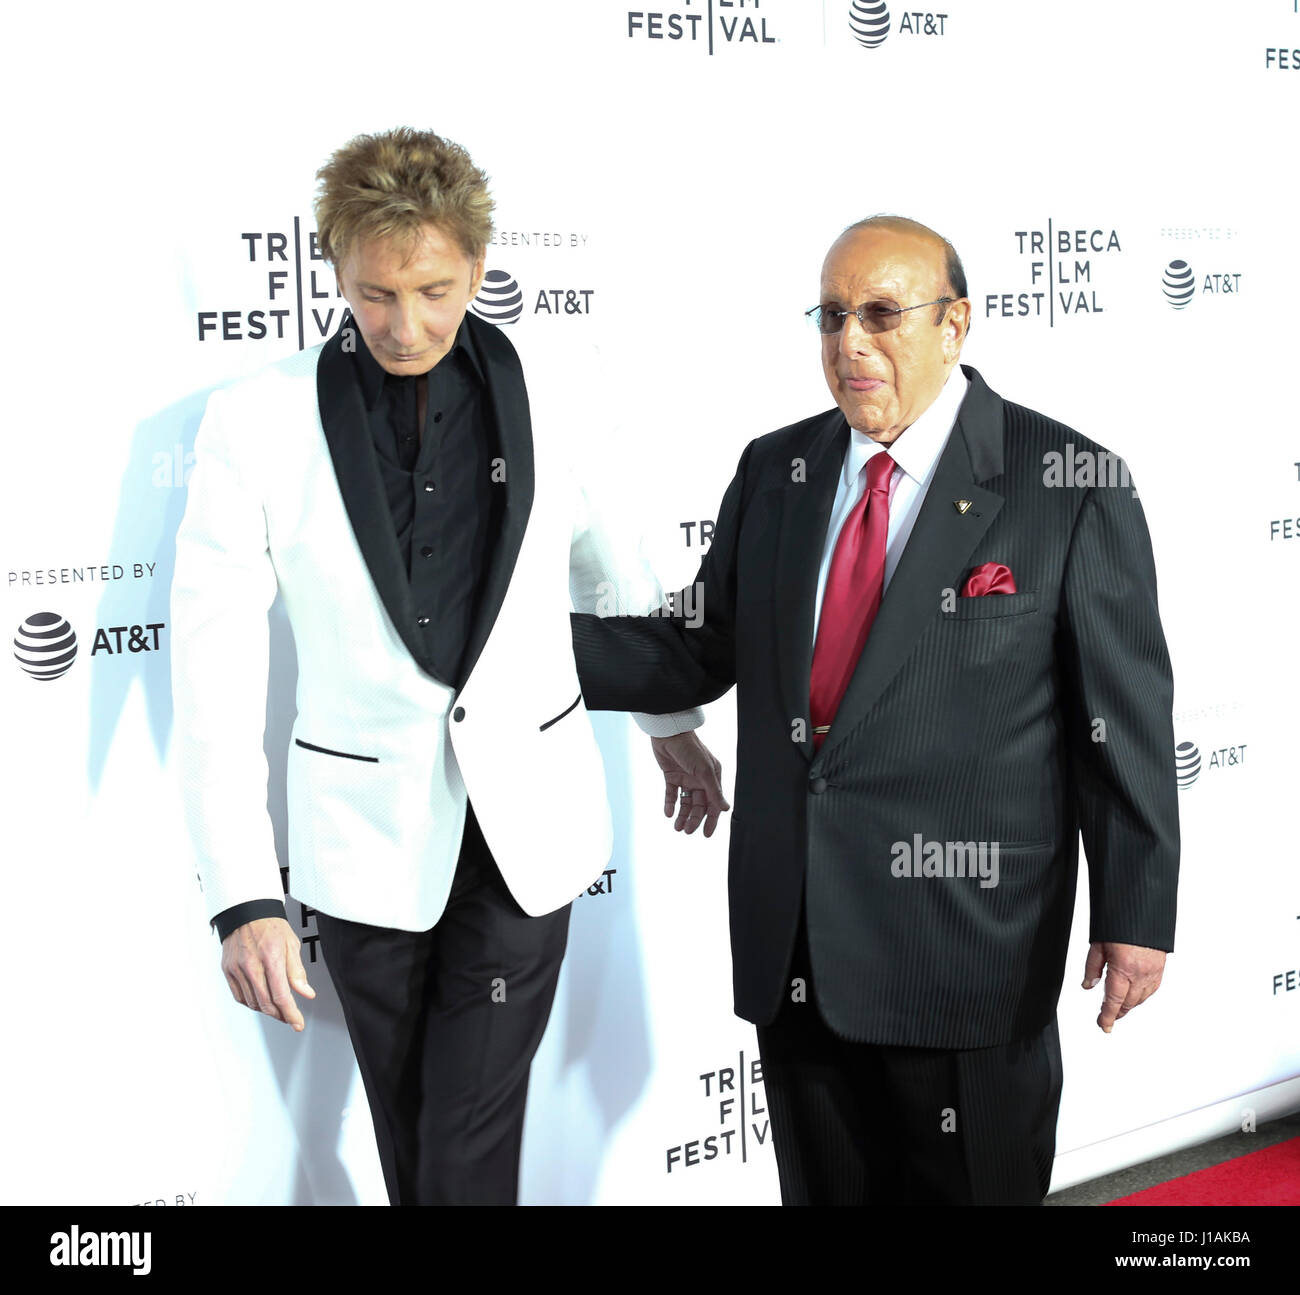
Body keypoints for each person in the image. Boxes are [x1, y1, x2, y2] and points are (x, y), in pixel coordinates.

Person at [572, 214, 1180, 1205]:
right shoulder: (775, 469)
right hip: (799, 949)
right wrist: (519, 654)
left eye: (882, 314)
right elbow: (699, 647)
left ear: (956, 325)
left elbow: (1121, 718)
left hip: (968, 951)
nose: (850, 342)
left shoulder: (1066, 482)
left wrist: (1134, 907)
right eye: (831, 316)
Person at [170, 127, 726, 1207]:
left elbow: (614, 567)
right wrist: (243, 893)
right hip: (362, 840)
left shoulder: (559, 382)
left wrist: (672, 723)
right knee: (414, 1128)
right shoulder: (254, 422)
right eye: (375, 294)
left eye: (433, 288)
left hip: (528, 829)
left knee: (465, 1128)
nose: (405, 324)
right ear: (335, 267)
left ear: (476, 266)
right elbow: (213, 670)